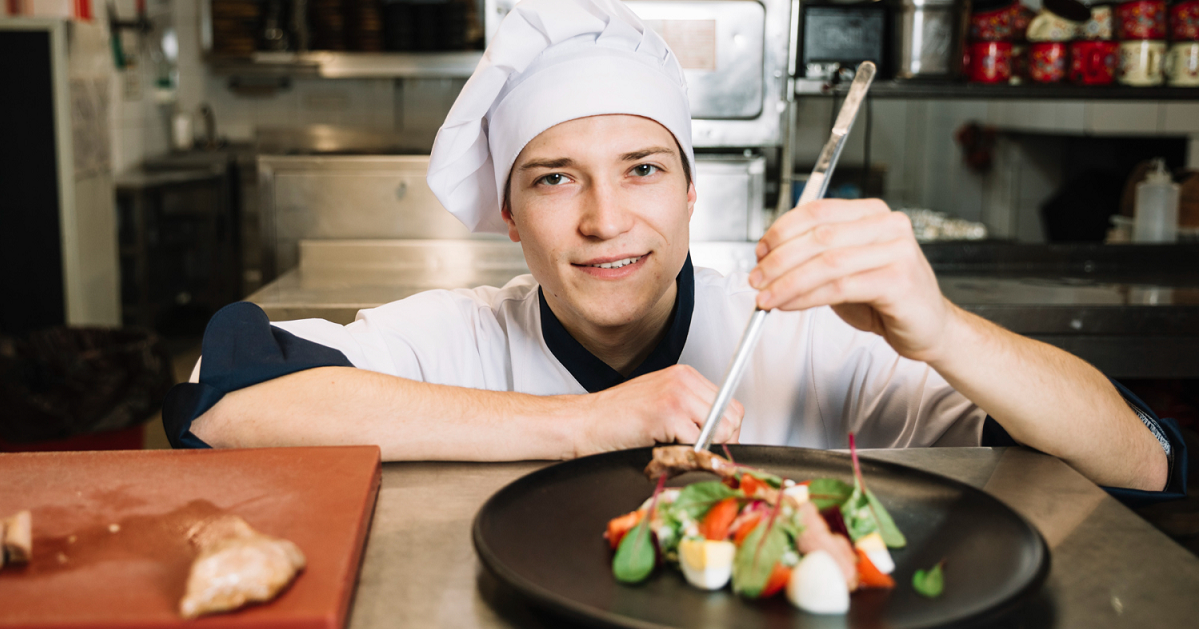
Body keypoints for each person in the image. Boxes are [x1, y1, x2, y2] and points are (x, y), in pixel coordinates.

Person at [163, 0, 1184, 503]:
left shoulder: (806, 341)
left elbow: (1143, 460)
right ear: (510, 218)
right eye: (554, 177)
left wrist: (944, 329)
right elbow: (225, 400)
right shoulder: (457, 338)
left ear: (693, 190)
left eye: (642, 168)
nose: (605, 219)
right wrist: (587, 420)